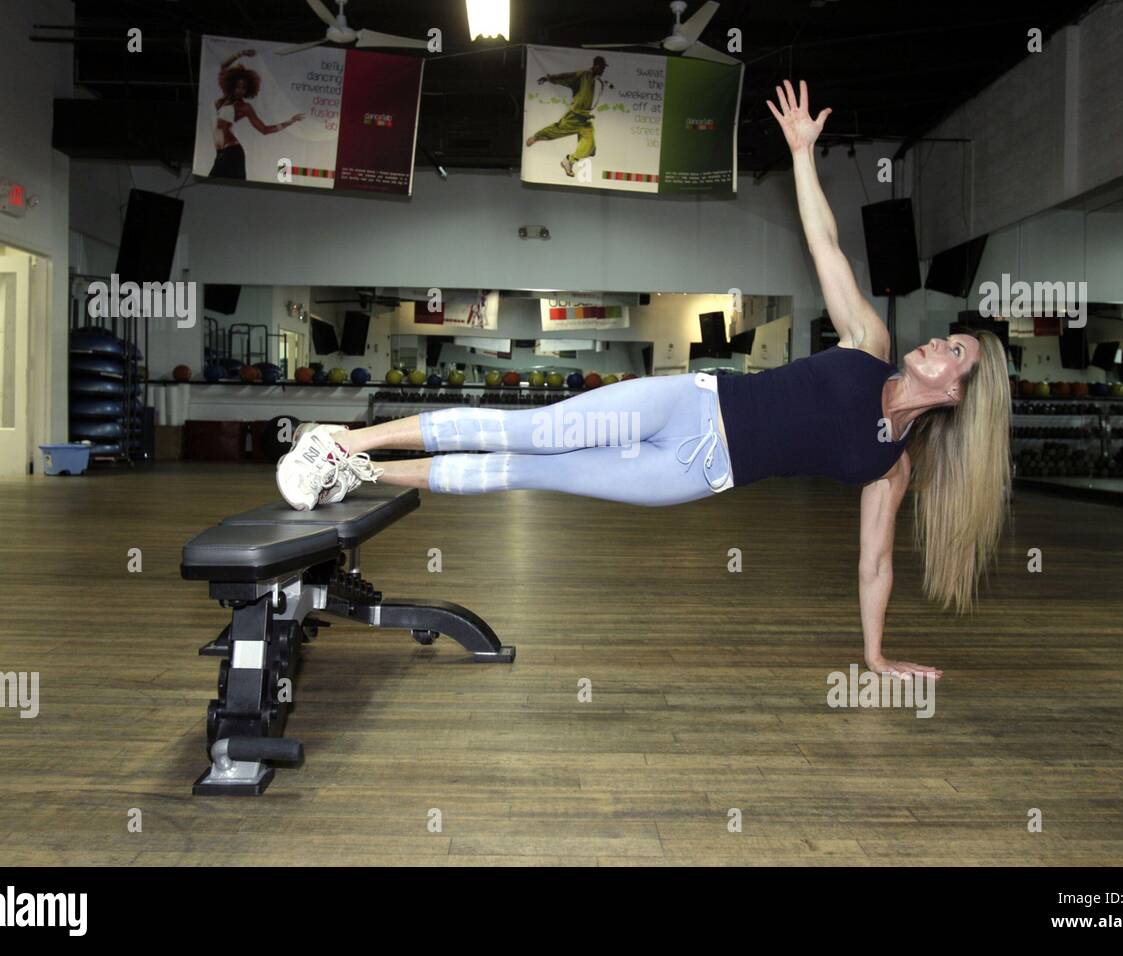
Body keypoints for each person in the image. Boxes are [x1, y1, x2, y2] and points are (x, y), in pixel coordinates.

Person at [277, 81, 1012, 679]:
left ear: (955, 394)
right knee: (531, 431)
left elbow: (876, 562)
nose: (940, 345)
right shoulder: (868, 343)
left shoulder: (891, 466)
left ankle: (363, 473)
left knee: (523, 473)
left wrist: (876, 656)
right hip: (684, 406)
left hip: (690, 476)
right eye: (951, 338)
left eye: (956, 354)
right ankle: (338, 441)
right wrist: (801, 155)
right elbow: (826, 243)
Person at [210, 49, 304, 180]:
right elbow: (223, 66)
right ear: (232, 85)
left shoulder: (244, 107)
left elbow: (264, 130)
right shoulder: (222, 100)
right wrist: (240, 54)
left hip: (232, 152)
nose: (240, 91)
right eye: (238, 86)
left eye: (244, 88)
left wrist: (289, 122)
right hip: (220, 153)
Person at [525, 56, 610, 178]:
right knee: (559, 129)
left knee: (590, 147)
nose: (603, 71)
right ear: (596, 66)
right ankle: (537, 136)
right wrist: (550, 78)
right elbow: (567, 76)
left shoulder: (594, 80)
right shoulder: (584, 75)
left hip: (585, 119)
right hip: (576, 116)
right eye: (602, 68)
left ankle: (569, 161)